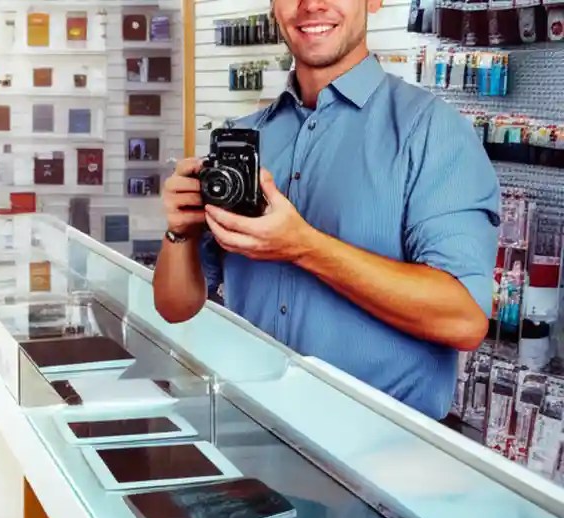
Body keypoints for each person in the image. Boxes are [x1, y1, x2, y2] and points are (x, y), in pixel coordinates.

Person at [152, 0, 500, 419]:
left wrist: (304, 247)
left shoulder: (431, 132)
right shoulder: (242, 139)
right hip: (251, 432)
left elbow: (463, 319)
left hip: (380, 457)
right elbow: (176, 307)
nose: (311, 4)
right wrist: (179, 232)